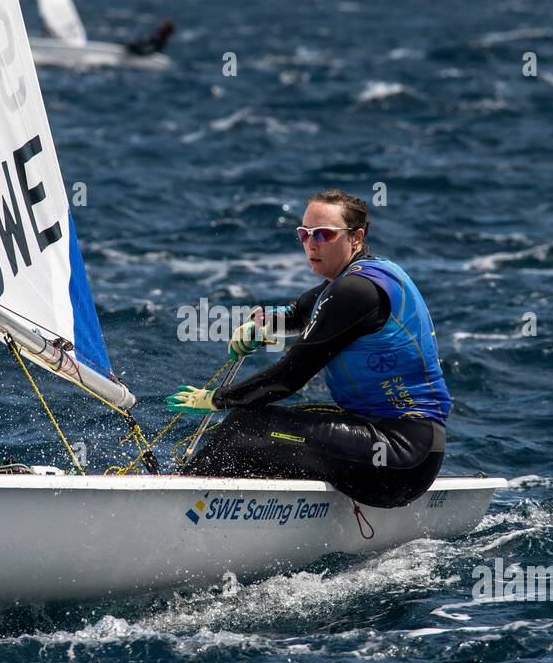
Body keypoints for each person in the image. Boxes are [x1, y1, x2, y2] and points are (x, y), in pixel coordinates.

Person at [166, 189, 452, 508]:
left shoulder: (357, 290)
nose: (311, 244)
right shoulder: (356, 277)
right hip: (385, 440)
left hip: (400, 456)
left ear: (356, 238)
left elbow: (288, 378)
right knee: (258, 422)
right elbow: (300, 312)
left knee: (246, 426)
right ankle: (234, 511)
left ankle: (178, 507)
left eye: (324, 235)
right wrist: (264, 325)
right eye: (304, 234)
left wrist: (216, 398)